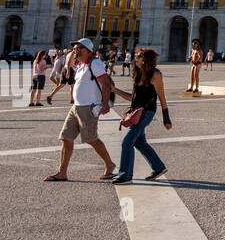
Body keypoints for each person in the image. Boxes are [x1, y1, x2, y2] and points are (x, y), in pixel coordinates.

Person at [44, 39, 116, 182]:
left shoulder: (94, 64)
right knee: (66, 137)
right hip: (76, 107)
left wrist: (105, 104)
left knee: (91, 139)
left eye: (77, 48)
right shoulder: (81, 65)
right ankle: (62, 172)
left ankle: (110, 165)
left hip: (88, 107)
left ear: (86, 50)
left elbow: (106, 84)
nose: (74, 51)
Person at [108, 48, 171, 183]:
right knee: (139, 142)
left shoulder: (155, 75)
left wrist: (166, 118)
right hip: (136, 112)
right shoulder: (137, 74)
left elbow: (162, 98)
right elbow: (132, 98)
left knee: (127, 141)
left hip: (147, 112)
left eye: (137, 57)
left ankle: (125, 174)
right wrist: (115, 90)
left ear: (145, 60)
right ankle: (158, 167)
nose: (134, 59)